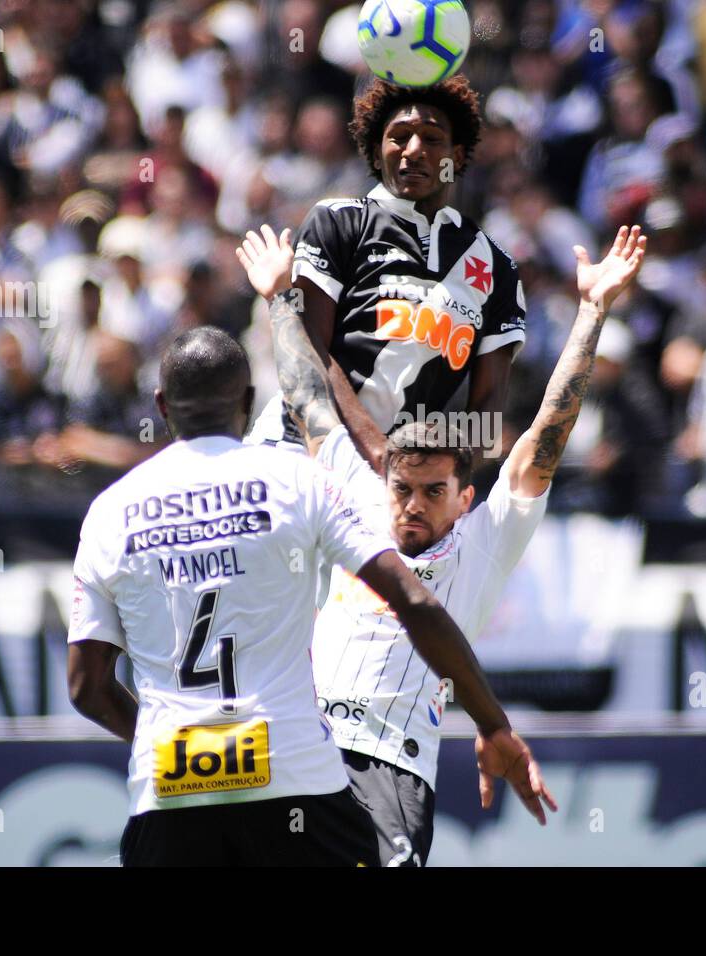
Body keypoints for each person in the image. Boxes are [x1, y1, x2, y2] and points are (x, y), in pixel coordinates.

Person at [66, 326, 554, 867]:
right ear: (248, 401)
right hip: (293, 776)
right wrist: (491, 723)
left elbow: (87, 687)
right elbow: (412, 602)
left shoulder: (111, 512)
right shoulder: (296, 481)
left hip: (170, 790)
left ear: (160, 404)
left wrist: (163, 743)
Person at [235, 221, 645, 865]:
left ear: (465, 498)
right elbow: (309, 398)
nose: (412, 507)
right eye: (404, 490)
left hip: (388, 768)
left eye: (432, 493)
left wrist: (592, 310)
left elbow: (547, 436)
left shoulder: (486, 542)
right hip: (297, 747)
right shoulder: (359, 493)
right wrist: (280, 296)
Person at [246, 75, 525, 474]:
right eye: (399, 137)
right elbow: (310, 350)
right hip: (297, 453)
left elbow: (487, 410)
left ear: (457, 158)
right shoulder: (338, 221)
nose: (414, 150)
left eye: (432, 139)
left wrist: (438, 481)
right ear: (377, 154)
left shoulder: (496, 266)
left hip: (397, 487)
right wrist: (377, 452)